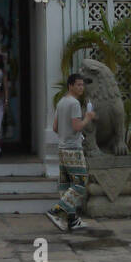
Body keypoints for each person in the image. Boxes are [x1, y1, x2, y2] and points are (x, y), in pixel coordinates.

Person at [46, 72, 95, 234]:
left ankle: (72, 220)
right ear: (71, 86)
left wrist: (65, 133)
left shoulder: (61, 102)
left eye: (82, 85)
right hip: (73, 149)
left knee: (67, 184)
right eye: (78, 84)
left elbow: (55, 127)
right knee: (80, 183)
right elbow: (77, 127)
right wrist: (87, 118)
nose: (81, 87)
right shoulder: (74, 103)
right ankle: (56, 210)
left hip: (62, 148)